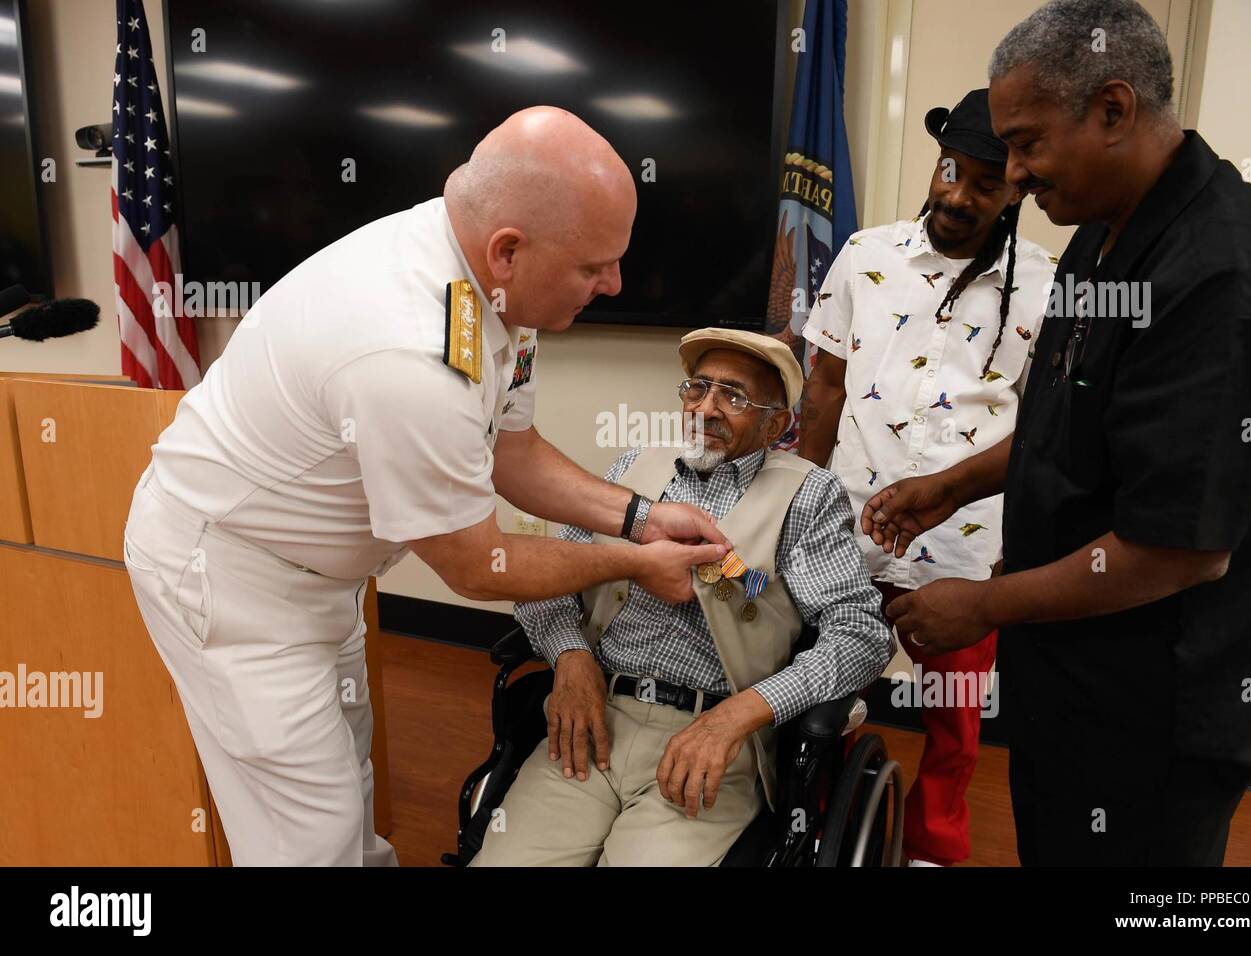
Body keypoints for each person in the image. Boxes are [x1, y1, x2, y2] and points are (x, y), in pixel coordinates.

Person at [123, 107, 728, 866]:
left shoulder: (488, 276)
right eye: (592, 266)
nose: (614, 283)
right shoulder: (406, 349)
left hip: (319, 572)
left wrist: (639, 518)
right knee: (305, 837)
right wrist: (636, 563)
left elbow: (513, 452)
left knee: (348, 780)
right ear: (509, 250)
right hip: (229, 575)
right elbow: (478, 565)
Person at [868, 0, 1251, 865]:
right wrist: (953, 485)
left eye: (1026, 143)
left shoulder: (1222, 278)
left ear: (1113, 109)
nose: (1013, 174)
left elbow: (1177, 551)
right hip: (1068, 681)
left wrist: (982, 604)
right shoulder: (1098, 230)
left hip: (1150, 717)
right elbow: (1068, 418)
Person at [472, 329, 892, 866]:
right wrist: (570, 657)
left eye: (733, 396)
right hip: (594, 714)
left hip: (709, 735)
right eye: (697, 388)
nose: (706, 408)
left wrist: (739, 715)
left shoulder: (807, 495)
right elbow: (546, 576)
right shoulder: (635, 466)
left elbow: (861, 636)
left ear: (776, 424)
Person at [799, 88, 1055, 867]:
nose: (958, 193)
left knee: (955, 726)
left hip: (966, 550)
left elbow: (1047, 435)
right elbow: (826, 387)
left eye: (985, 182)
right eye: (952, 170)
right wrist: (796, 503)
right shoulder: (866, 256)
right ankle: (814, 823)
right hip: (850, 529)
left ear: (1016, 189)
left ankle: (932, 851)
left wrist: (1018, 564)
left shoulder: (1049, 285)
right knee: (821, 694)